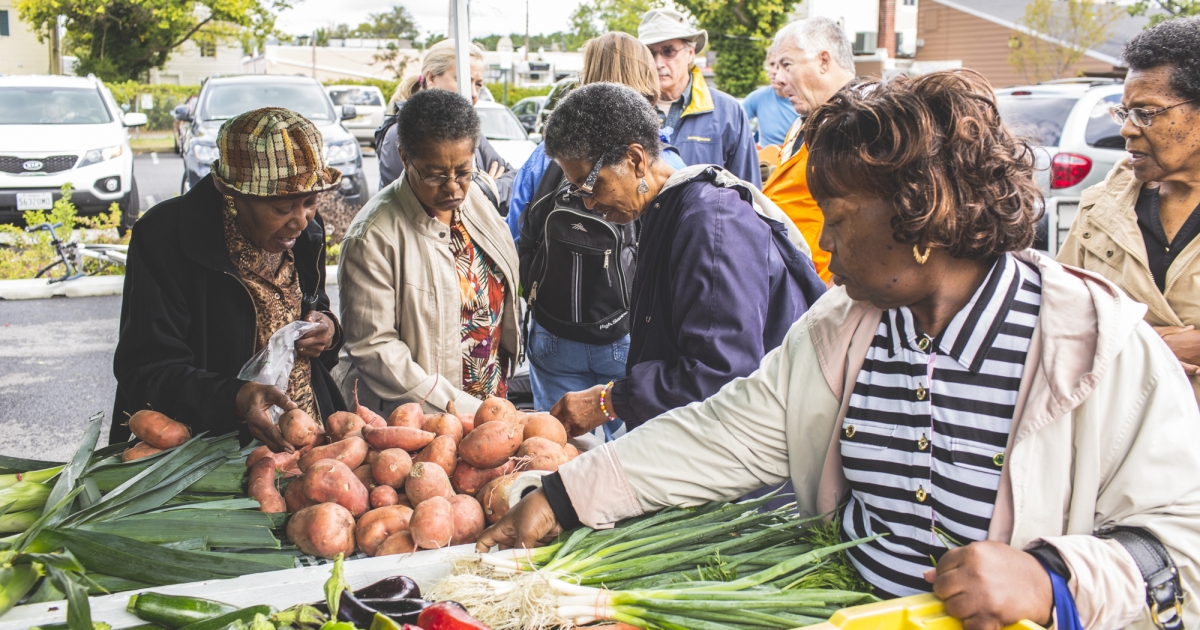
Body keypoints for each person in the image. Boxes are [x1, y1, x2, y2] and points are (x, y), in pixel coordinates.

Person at [479, 71, 1200, 630]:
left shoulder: (1099, 348)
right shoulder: (844, 328)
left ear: (924, 211)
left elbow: (1183, 552)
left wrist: (1054, 580)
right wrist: (567, 497)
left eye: (841, 218)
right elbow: (725, 432)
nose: (822, 244)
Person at [541, 83, 826, 437]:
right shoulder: (665, 212)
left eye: (590, 185)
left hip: (750, 452)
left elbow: (719, 374)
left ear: (635, 159)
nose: (588, 204)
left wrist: (607, 401)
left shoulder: (712, 221)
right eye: (577, 191)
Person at [112, 108, 345, 452]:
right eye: (281, 208)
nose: (300, 221)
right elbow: (146, 371)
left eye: (310, 202)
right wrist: (235, 397)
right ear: (231, 193)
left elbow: (315, 307)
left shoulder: (307, 233)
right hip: (206, 448)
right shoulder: (165, 239)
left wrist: (328, 331)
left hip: (307, 433)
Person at [511, 33, 690, 429]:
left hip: (552, 332)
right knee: (626, 464)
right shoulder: (664, 162)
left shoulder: (545, 158)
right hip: (630, 336)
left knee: (558, 450)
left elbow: (515, 239)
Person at [335, 89, 521, 418]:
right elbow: (374, 347)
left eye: (463, 171)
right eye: (434, 175)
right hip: (422, 417)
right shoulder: (372, 238)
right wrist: (460, 409)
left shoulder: (473, 198)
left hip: (489, 401)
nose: (452, 187)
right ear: (405, 158)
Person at [1058, 16, 1200, 405]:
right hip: (1123, 438)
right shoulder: (1100, 210)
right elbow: (1060, 323)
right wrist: (1144, 345)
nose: (1127, 129)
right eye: (1125, 113)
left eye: (1147, 112)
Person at [505, 33, 687, 240]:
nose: (589, 201)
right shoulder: (668, 165)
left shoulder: (548, 154)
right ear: (649, 81)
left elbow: (513, 238)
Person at [762, 17, 858, 283]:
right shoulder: (804, 118)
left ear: (824, 61)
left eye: (787, 65)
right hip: (791, 279)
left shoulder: (861, 123)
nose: (778, 79)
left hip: (827, 285)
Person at [376, 40, 516, 214]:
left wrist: (477, 188)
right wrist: (486, 185)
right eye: (464, 80)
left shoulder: (466, 131)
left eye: (478, 84)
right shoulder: (400, 133)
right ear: (431, 78)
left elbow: (514, 181)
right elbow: (434, 210)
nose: (473, 93)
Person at [638, 8, 762, 188]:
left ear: (690, 54)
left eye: (668, 51)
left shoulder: (728, 111)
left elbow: (749, 191)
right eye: (650, 53)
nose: (658, 63)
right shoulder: (628, 109)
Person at [740, 47, 799, 147]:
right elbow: (733, 125)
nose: (774, 71)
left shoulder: (803, 101)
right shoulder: (758, 97)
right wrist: (751, 149)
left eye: (781, 66)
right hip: (765, 160)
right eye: (772, 64)